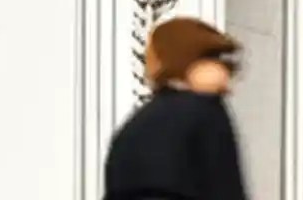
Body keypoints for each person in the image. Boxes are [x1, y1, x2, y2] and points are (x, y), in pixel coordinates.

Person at [104, 16, 249, 200]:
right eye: (219, 61)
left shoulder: (134, 125)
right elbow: (225, 189)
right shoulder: (205, 111)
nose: (229, 78)